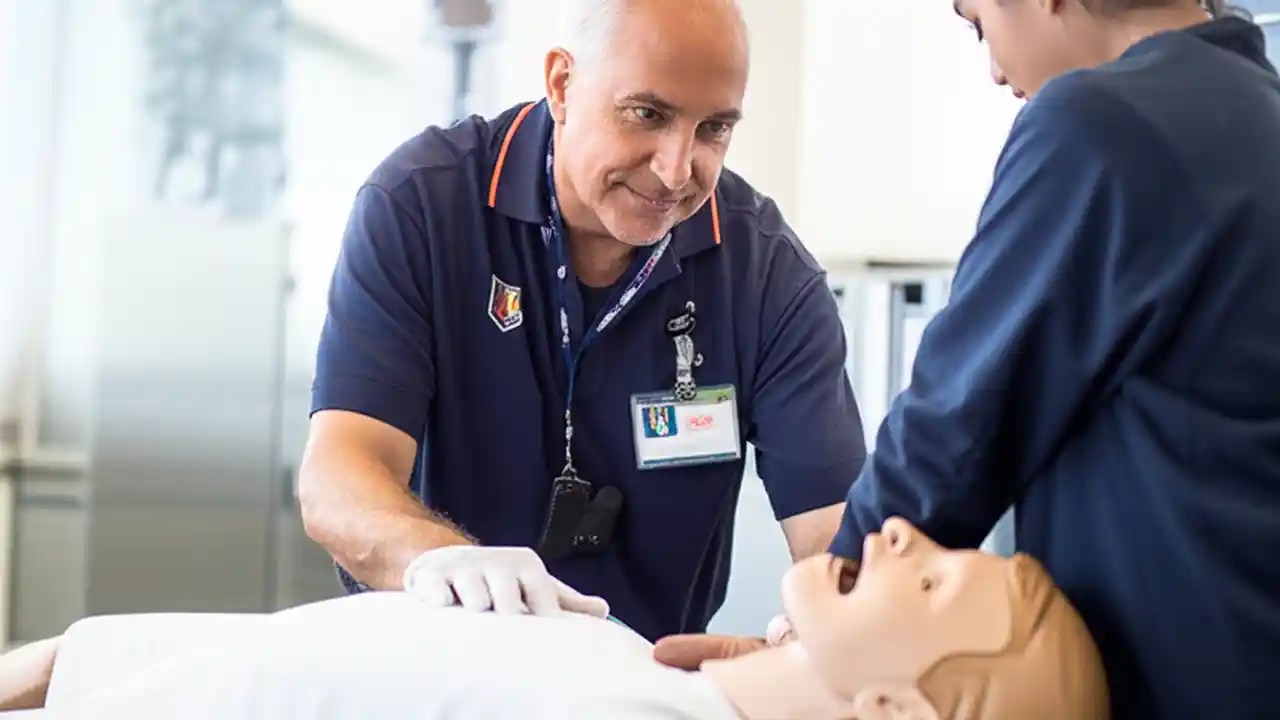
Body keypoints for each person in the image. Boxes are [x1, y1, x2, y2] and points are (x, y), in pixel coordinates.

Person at [657, 2, 1280, 718]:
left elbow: (956, 423)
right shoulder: (1253, 113)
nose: (992, 69)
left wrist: (825, 636)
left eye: (979, 22)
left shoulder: (1103, 123)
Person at [296, 0, 865, 644]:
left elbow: (832, 533)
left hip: (639, 679)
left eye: (713, 129)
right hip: (434, 659)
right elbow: (339, 477)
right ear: (562, 84)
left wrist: (837, 628)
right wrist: (442, 563)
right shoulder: (422, 207)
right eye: (646, 115)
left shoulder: (767, 274)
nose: (676, 171)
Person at [0, 519, 1107, 719]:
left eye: (931, 587)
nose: (901, 537)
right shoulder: (609, 652)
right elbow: (275, 660)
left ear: (892, 712)